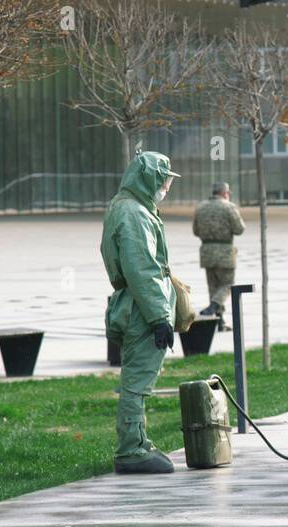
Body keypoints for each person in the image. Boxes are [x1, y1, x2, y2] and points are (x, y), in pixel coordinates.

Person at [101, 151, 180, 474]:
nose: (166, 187)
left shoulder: (127, 207)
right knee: (136, 382)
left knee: (139, 379)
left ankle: (138, 441)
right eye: (163, 180)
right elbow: (141, 269)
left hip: (134, 306)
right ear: (150, 179)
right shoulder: (134, 214)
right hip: (140, 309)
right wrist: (159, 316)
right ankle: (130, 450)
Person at [194, 182, 246, 331]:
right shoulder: (229, 207)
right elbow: (239, 229)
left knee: (213, 286)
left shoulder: (201, 207)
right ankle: (213, 306)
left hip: (207, 252)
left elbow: (196, 230)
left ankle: (219, 321)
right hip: (224, 252)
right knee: (228, 284)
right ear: (225, 193)